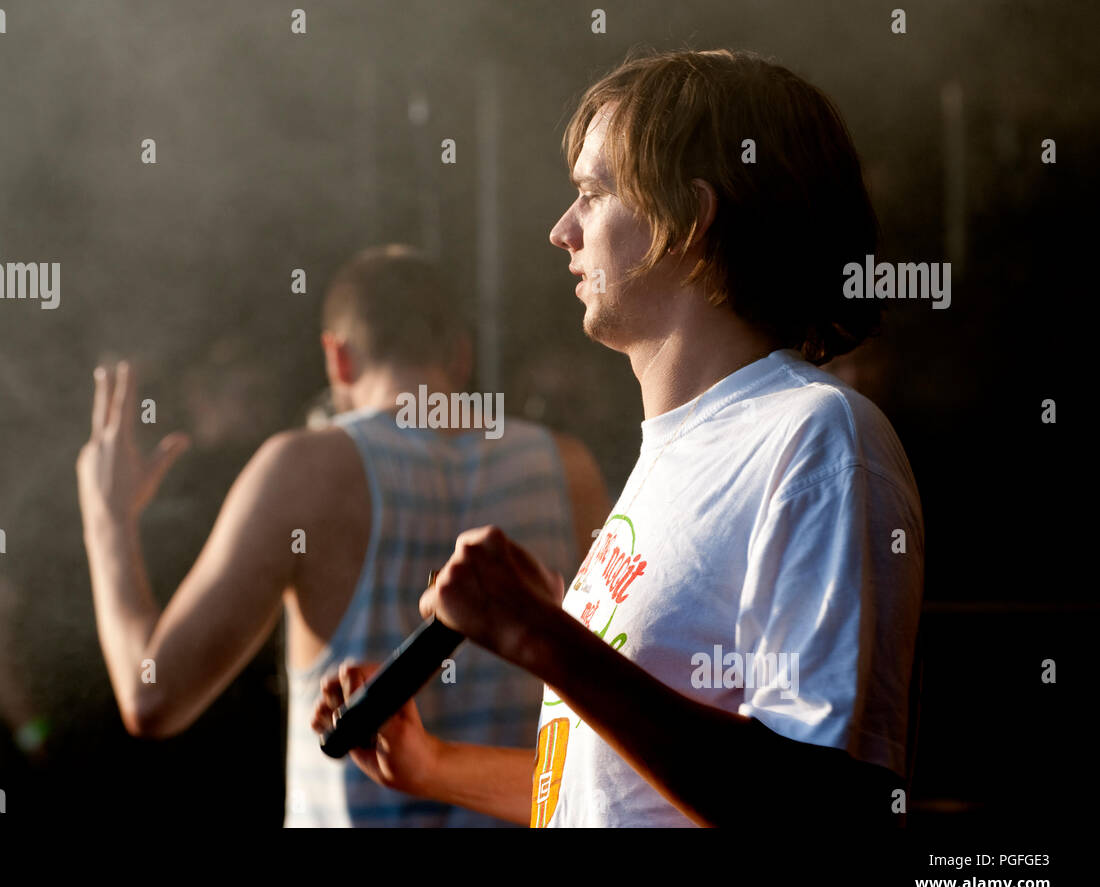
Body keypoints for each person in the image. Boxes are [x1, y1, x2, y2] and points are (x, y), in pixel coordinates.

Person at [313, 49, 925, 827]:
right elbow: (614, 796)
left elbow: (825, 808)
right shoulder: (675, 453)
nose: (561, 230)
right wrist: (433, 765)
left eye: (592, 194)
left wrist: (539, 634)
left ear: (690, 222)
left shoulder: (815, 434)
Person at [76, 244, 609, 827]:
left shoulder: (301, 469)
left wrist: (109, 521)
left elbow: (152, 698)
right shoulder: (568, 468)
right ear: (460, 357)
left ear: (339, 359)